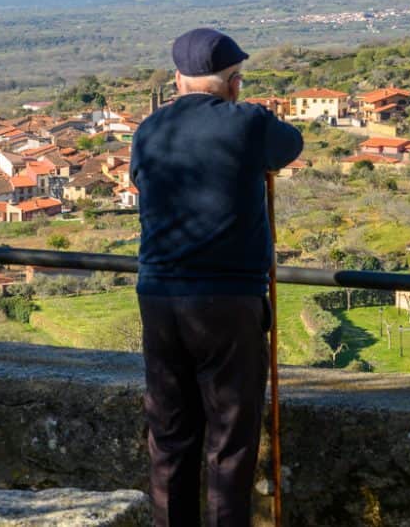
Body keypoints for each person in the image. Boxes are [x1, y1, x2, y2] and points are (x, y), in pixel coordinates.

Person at [130, 27, 303, 527]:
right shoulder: (248, 123)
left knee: (169, 438)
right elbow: (290, 145)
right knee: (230, 442)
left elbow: (139, 180)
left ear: (178, 80)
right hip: (228, 300)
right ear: (233, 81)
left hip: (159, 297)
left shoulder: (148, 131)